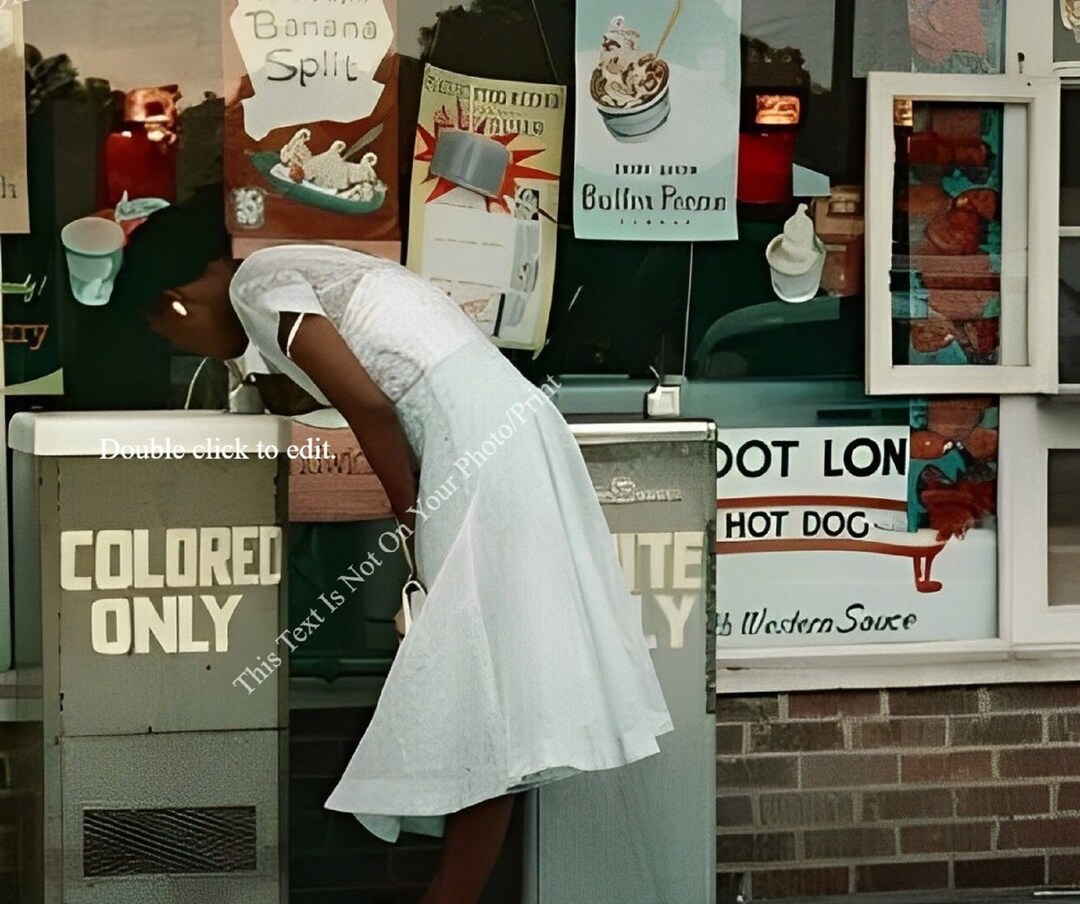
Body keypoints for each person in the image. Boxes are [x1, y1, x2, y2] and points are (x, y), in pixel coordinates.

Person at [137, 198, 673, 904]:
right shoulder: (290, 274)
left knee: (483, 688)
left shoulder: (255, 285)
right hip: (509, 431)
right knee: (494, 687)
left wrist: (408, 512)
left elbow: (368, 404)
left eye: (176, 340)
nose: (189, 351)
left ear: (177, 303)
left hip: (474, 449)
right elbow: (357, 375)